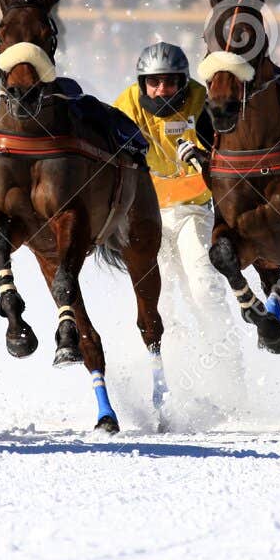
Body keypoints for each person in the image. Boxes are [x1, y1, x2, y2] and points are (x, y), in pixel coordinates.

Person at [113, 43, 239, 373]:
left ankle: (230, 370)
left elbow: (228, 144)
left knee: (203, 290)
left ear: (184, 82)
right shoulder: (126, 105)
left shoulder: (204, 99)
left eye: (170, 82)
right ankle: (174, 372)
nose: (162, 90)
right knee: (161, 299)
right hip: (147, 216)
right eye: (154, 82)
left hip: (192, 209)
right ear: (142, 83)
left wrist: (202, 155)